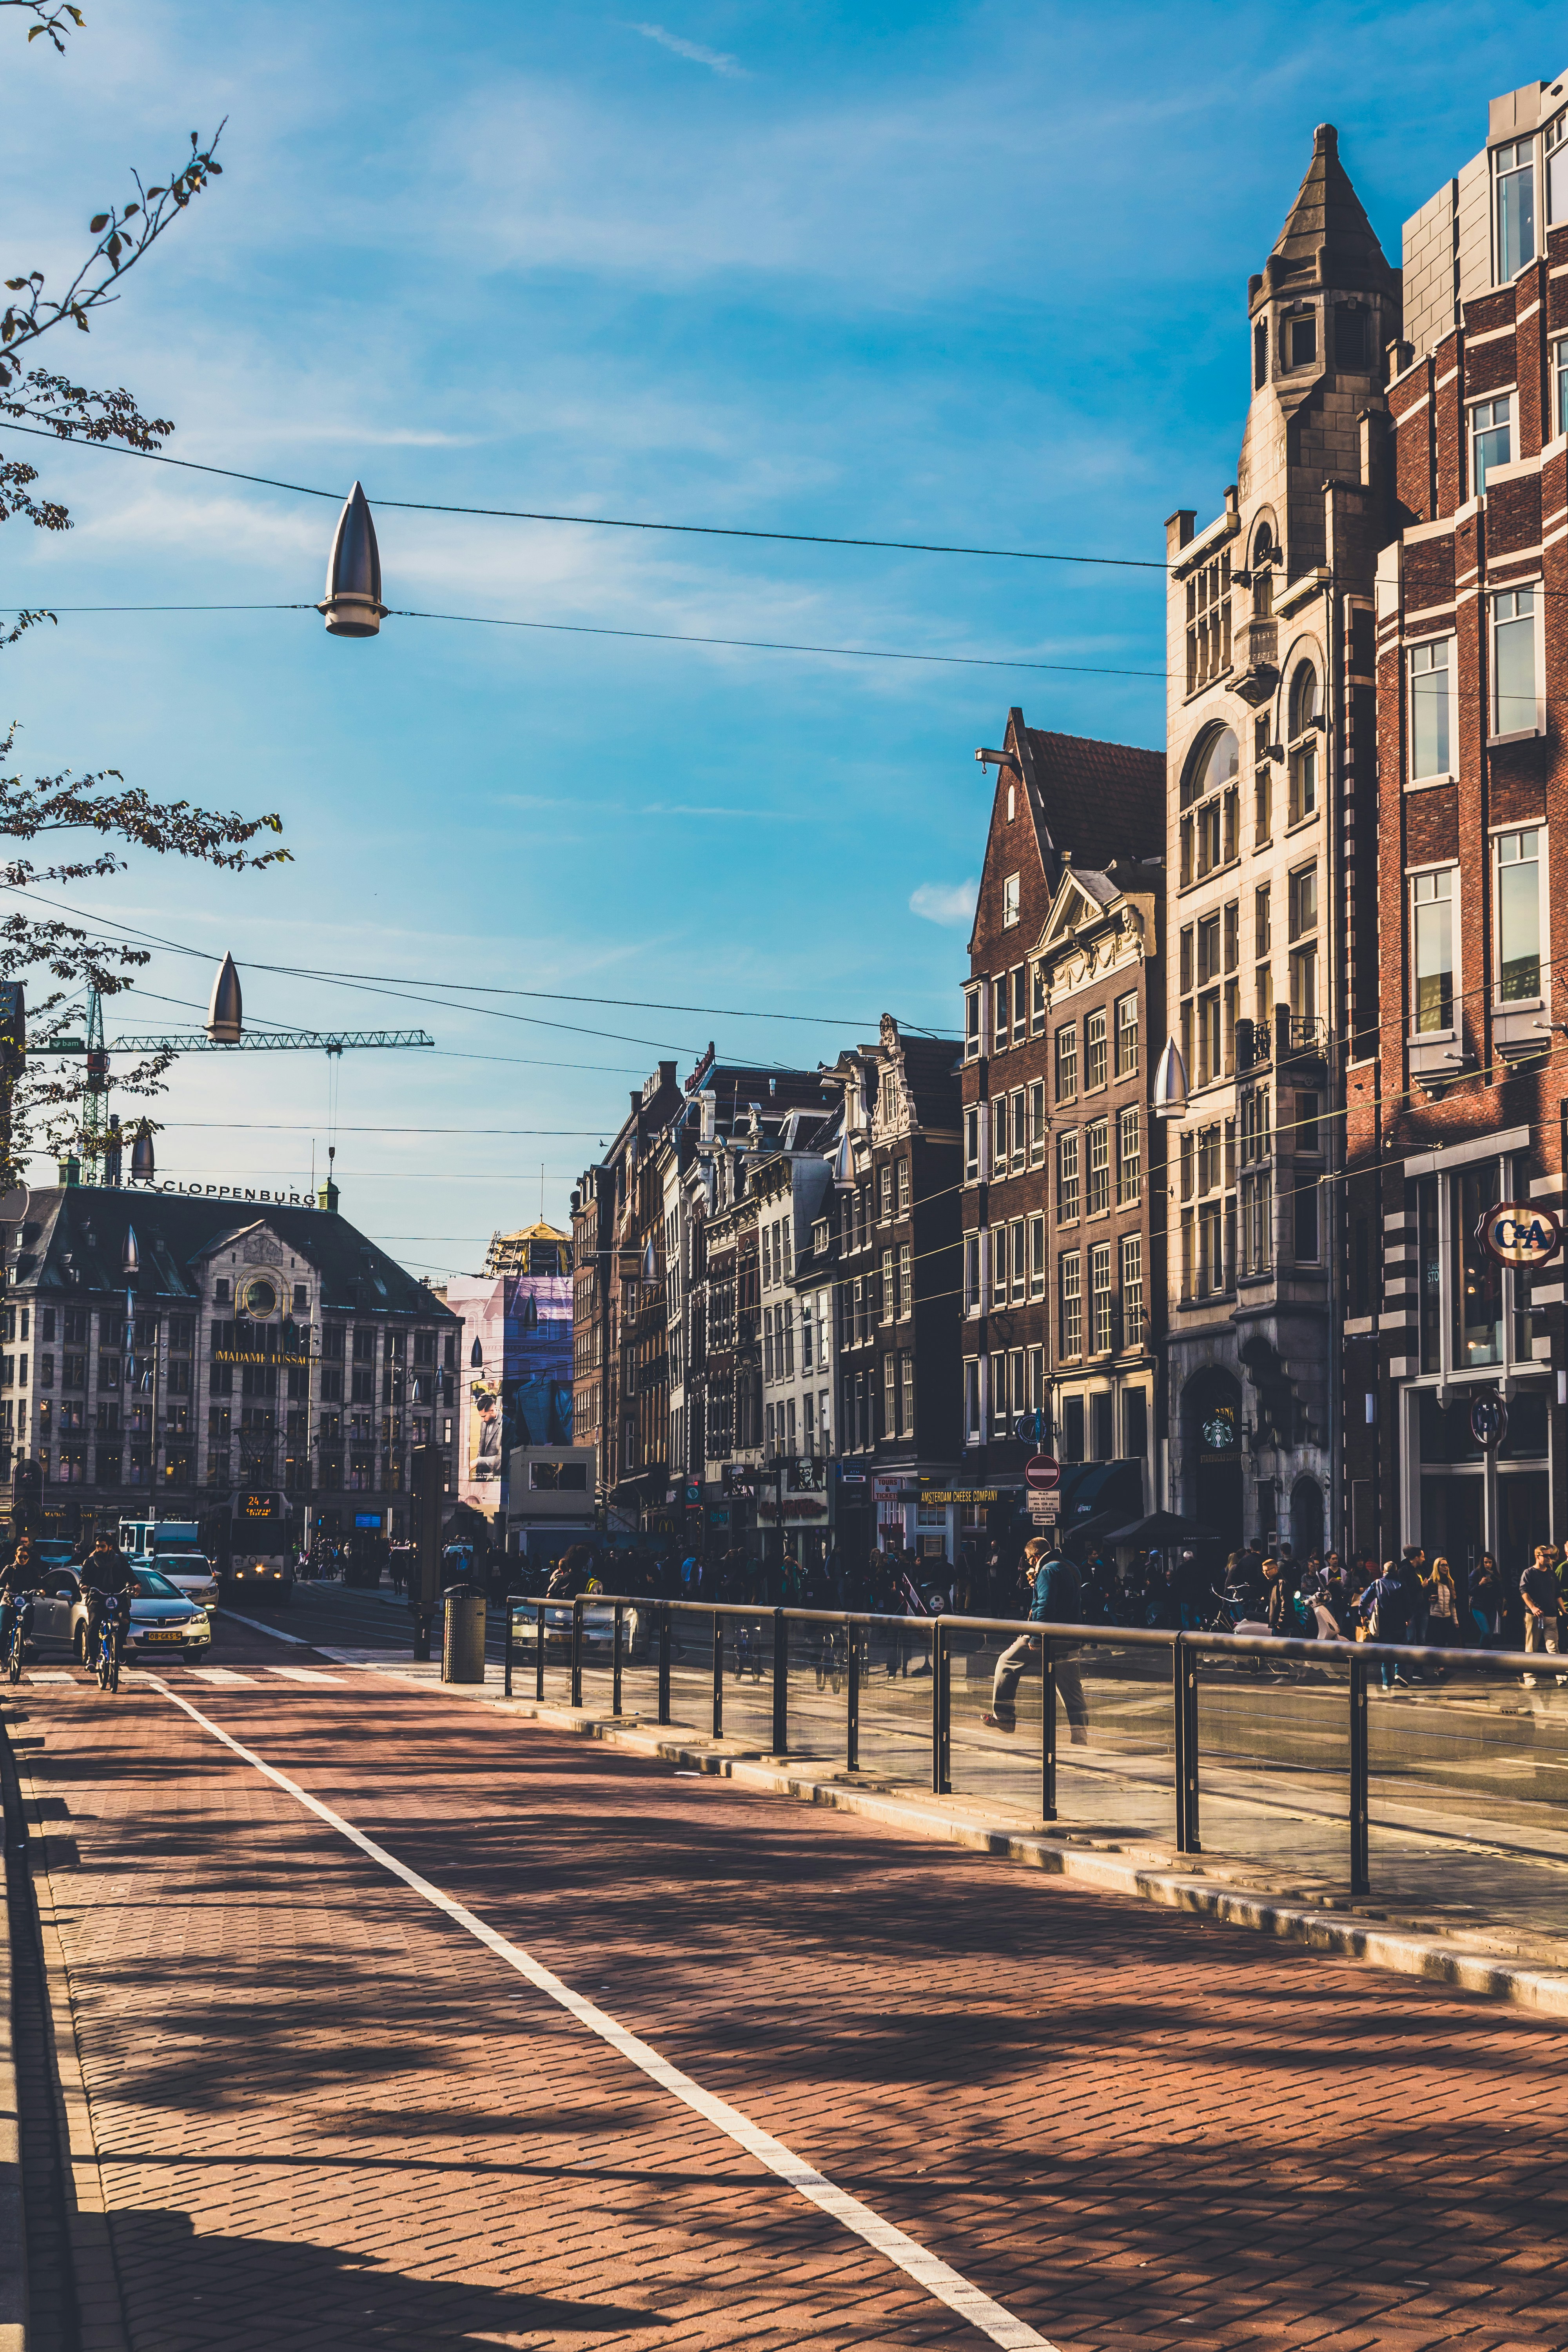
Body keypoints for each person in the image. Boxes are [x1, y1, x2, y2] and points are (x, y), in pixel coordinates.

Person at [982, 1539, 1089, 1744]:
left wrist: (1036, 1637)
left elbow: (1045, 1606)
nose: (1029, 1564)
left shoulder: (1047, 1571)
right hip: (1071, 1636)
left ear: (1035, 1556)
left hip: (1048, 1635)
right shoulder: (1070, 1566)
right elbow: (1063, 1598)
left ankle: (1004, 1717)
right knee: (1071, 1688)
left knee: (1007, 1663)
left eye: (1029, 1559)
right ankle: (1080, 1735)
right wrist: (1037, 1584)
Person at [81, 1533, 135, 1669]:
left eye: (102, 1547)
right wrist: (84, 1586)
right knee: (93, 1626)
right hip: (98, 1597)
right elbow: (84, 1578)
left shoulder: (120, 1560)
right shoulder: (90, 1561)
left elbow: (130, 1575)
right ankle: (92, 1658)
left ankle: (119, 1648)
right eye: (97, 1546)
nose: (99, 1549)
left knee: (125, 1620)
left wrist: (136, 1584)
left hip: (118, 1597)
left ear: (110, 1547)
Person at [1520, 1546, 1564, 1688]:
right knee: (1531, 1647)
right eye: (1546, 1556)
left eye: (1550, 1556)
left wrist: (1562, 1608)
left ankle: (1561, 1676)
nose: (1549, 1559)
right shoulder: (1529, 1573)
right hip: (1535, 1617)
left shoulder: (1552, 1574)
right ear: (1538, 1556)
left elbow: (1558, 1593)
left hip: (1551, 1616)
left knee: (1553, 1648)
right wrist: (1533, 1608)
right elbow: (1524, 1593)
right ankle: (1529, 1676)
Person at [0, 1538, 38, 1662]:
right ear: (16, 1556)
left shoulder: (33, 1571)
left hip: (25, 1600)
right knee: (3, 1630)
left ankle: (26, 1637)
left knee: (29, 1609)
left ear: (29, 1557)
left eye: (25, 1557)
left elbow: (39, 1586)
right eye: (20, 1557)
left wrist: (41, 1591)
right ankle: (1, 1661)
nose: (22, 1559)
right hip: (9, 1601)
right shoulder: (9, 1569)